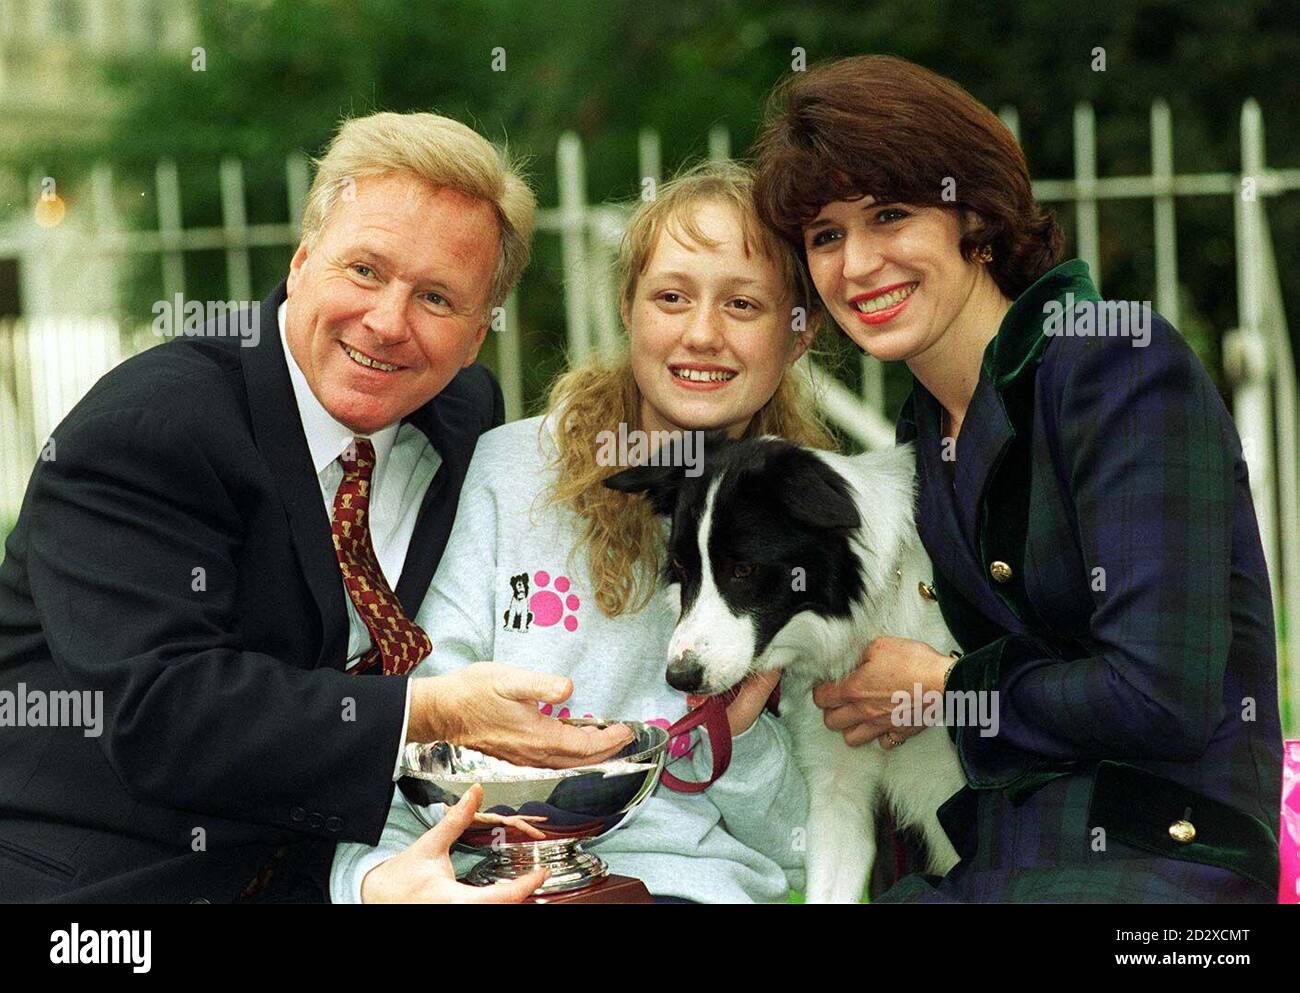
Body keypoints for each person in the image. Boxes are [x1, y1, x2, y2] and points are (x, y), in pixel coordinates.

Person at [0, 110, 629, 904]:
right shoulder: (152, 426)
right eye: (365, 270)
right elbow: (164, 715)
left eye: (436, 297)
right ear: (301, 263)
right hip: (106, 883)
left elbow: (555, 563)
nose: (389, 322)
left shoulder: (464, 411)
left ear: (477, 334)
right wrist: (425, 710)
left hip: (337, 875)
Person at [752, 54, 1283, 903]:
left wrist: (942, 690)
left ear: (979, 219)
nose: (857, 265)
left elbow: (1160, 696)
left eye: (890, 214)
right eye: (825, 236)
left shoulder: (1115, 363)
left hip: (1164, 869)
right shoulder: (923, 432)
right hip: (994, 864)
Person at [333, 161, 830, 904]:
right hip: (490, 882)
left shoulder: (817, 526)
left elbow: (804, 847)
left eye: (744, 304)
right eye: (671, 296)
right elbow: (414, 730)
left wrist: (741, 732)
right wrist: (371, 882)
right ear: (628, 307)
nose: (702, 334)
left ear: (798, 333)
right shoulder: (506, 472)